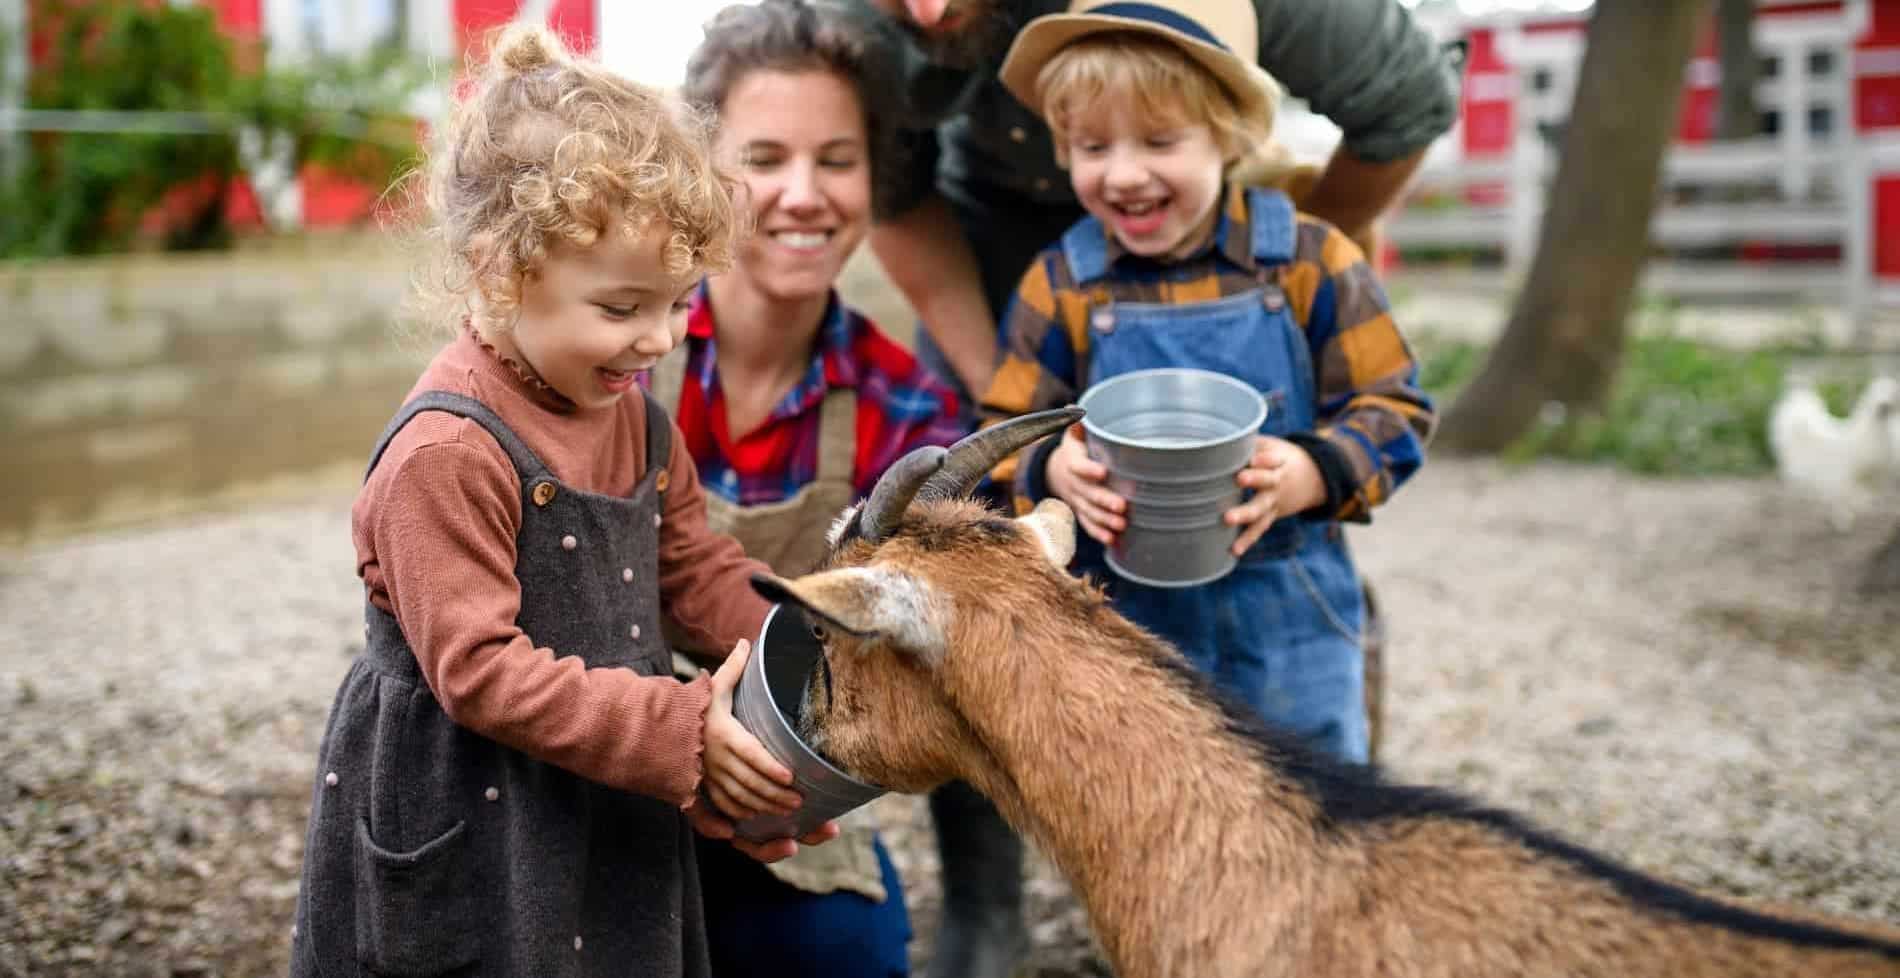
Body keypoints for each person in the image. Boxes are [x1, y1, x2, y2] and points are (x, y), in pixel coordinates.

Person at [844, 5, 1458, 976]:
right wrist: (1052, 468)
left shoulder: (1310, 264)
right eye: (1089, 146)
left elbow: (1394, 408)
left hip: (1287, 625)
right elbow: (1006, 432)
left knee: (1315, 816)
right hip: (1129, 626)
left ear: (1230, 131)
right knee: (1147, 823)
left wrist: (1310, 470)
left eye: (1158, 141)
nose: (1121, 173)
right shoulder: (1060, 284)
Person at [288, 24, 834, 978]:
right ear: (503, 271)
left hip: (606, 782)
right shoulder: (446, 454)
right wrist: (678, 729)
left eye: (677, 304)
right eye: (623, 308)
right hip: (473, 814)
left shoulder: (630, 414)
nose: (659, 339)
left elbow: (693, 570)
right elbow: (481, 673)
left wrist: (811, 665)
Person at [657, 2, 966, 975]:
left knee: (849, 950)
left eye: (836, 159)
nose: (803, 194)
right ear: (703, 176)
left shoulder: (907, 412)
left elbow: (904, 667)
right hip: (594, 766)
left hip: (785, 795)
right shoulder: (617, 357)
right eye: (764, 158)